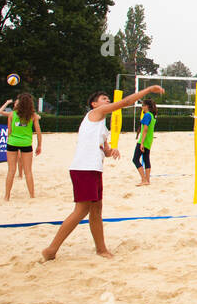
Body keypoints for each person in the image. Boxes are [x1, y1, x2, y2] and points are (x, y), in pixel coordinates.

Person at [41, 84, 164, 261]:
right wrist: (148, 89)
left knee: (97, 210)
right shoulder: (95, 114)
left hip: (93, 168)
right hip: (84, 168)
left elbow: (103, 149)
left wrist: (110, 151)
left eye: (107, 98)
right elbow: (126, 102)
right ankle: (51, 249)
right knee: (81, 210)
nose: (107, 100)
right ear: (94, 104)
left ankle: (101, 249)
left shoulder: (101, 126)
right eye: (103, 99)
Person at [0, 93, 42, 199]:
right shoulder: (33, 115)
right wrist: (39, 145)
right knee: (28, 171)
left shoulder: (12, 114)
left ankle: (7, 196)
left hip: (12, 142)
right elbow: (38, 132)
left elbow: (9, 131)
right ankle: (32, 195)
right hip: (26, 144)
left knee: (11, 170)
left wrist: (10, 141)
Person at [133, 97, 156, 185]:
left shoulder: (147, 115)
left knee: (135, 159)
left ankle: (143, 179)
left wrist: (141, 143)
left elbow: (145, 129)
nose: (142, 107)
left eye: (143, 105)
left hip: (144, 141)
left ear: (147, 106)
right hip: (149, 141)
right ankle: (147, 180)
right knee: (146, 159)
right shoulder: (152, 116)